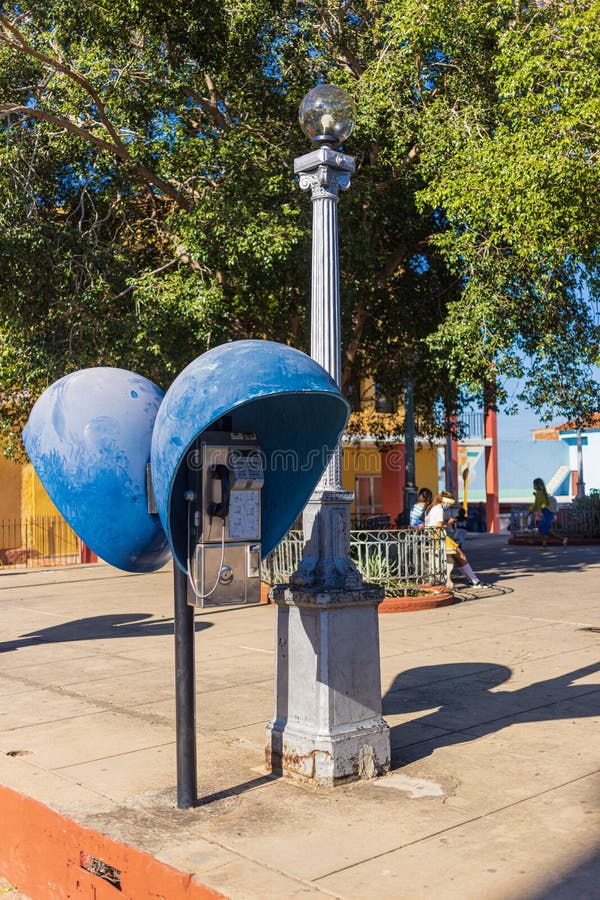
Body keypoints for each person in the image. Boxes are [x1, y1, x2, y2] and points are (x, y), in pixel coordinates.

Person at [425, 492, 485, 587]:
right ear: (446, 503)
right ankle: (474, 580)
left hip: (433, 538)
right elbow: (439, 526)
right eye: (450, 505)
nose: (449, 507)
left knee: (459, 556)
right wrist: (449, 522)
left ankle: (473, 579)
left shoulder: (433, 508)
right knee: (461, 556)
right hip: (439, 537)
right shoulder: (439, 509)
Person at [529, 477, 565, 548]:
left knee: (543, 529)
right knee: (543, 529)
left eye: (534, 484)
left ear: (537, 485)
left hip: (547, 514)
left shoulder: (540, 493)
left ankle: (560, 540)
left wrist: (529, 513)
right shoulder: (540, 493)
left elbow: (537, 504)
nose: (533, 486)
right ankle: (546, 544)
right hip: (546, 514)